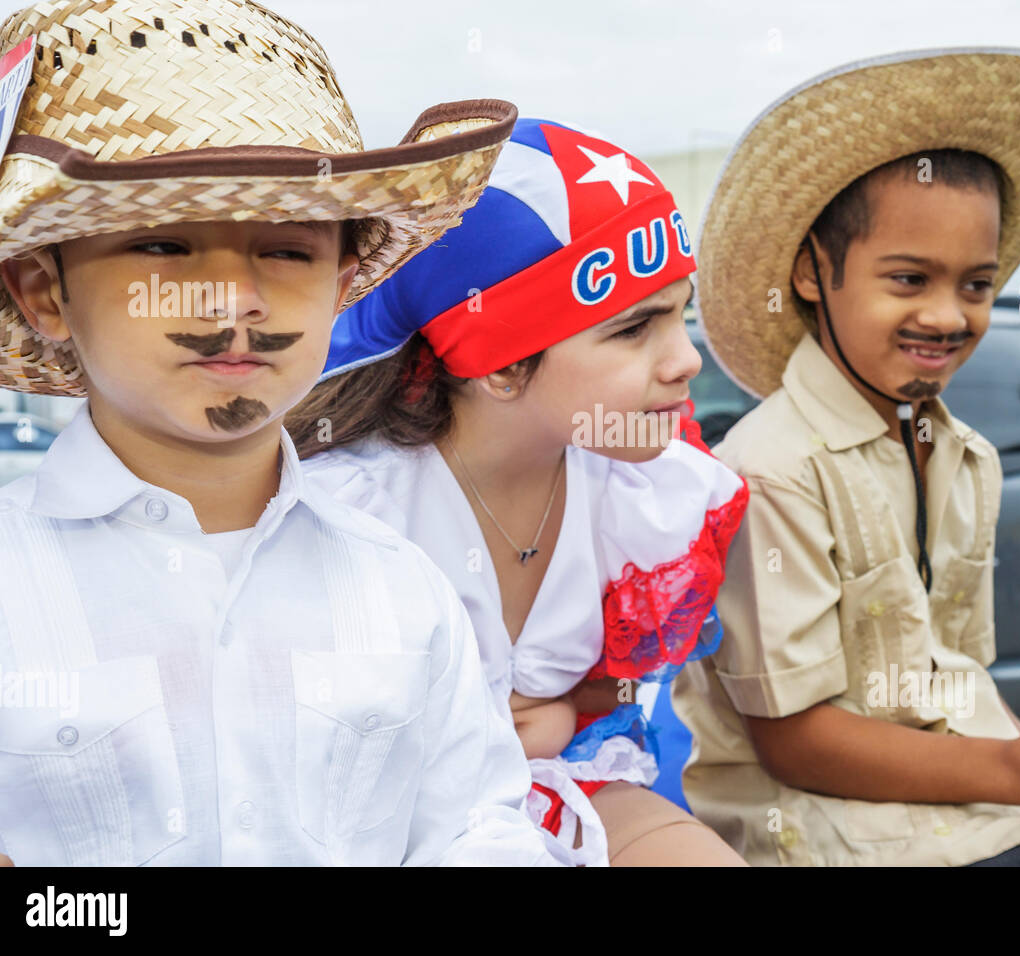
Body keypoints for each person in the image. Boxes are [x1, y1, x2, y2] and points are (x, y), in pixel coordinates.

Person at [0, 0, 558, 867]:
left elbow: (478, 831)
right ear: (43, 291)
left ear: (342, 281)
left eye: (286, 252)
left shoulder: (405, 590)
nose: (230, 300)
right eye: (165, 245)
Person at [671, 46, 1020, 866]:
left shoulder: (965, 459)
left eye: (977, 285)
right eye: (907, 279)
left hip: (970, 814)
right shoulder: (770, 470)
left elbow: (956, 677)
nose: (948, 315)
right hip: (822, 831)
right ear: (809, 271)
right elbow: (796, 743)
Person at [291, 117, 749, 866]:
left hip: (564, 788)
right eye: (635, 329)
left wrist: (571, 709)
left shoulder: (640, 491)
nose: (685, 360)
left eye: (681, 314)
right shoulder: (348, 516)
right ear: (500, 363)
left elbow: (621, 695)